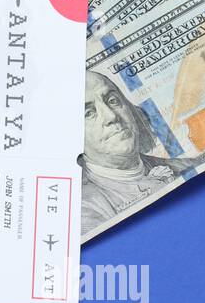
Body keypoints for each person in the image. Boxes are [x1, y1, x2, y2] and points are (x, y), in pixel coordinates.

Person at [80, 71, 190, 228]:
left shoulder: (185, 167)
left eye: (112, 101)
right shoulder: (84, 211)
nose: (111, 116)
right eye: (89, 113)